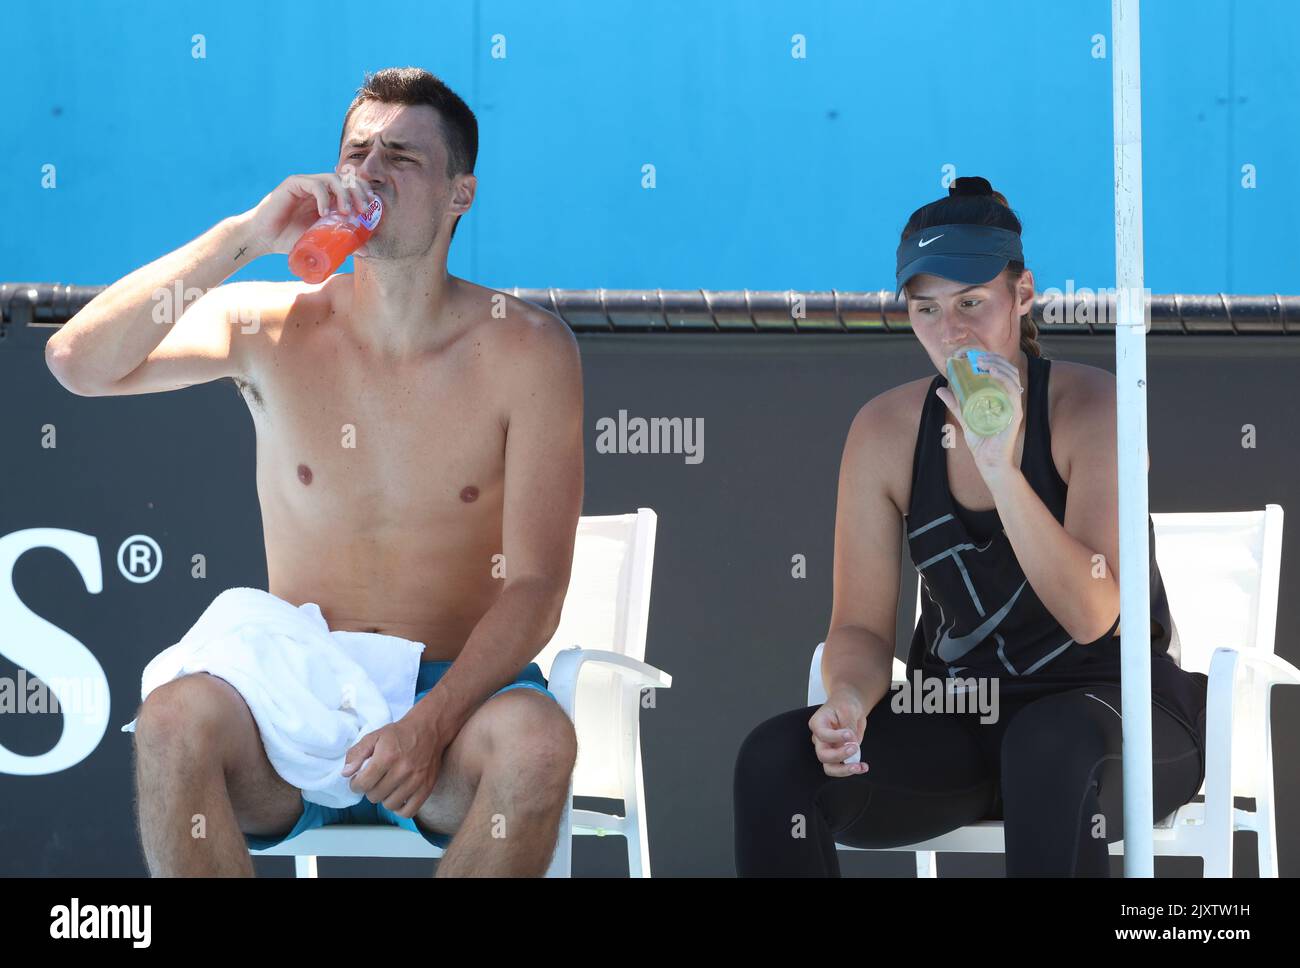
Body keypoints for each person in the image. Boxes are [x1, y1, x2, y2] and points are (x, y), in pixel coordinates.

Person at [45, 67, 584, 877]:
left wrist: (431, 725)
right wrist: (244, 238)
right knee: (171, 721)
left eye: (401, 156)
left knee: (539, 743)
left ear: (460, 194)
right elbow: (76, 363)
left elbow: (536, 586)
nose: (368, 170)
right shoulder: (270, 324)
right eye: (357, 151)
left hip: (449, 704)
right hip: (293, 697)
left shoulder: (529, 350)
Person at [733, 176, 1208, 877]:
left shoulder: (1093, 409)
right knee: (776, 760)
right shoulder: (885, 430)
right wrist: (847, 700)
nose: (949, 332)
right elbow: (861, 629)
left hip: (1110, 713)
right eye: (925, 309)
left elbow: (1090, 614)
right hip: (955, 719)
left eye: (971, 303)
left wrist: (1001, 471)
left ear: (1022, 296)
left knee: (1046, 745)